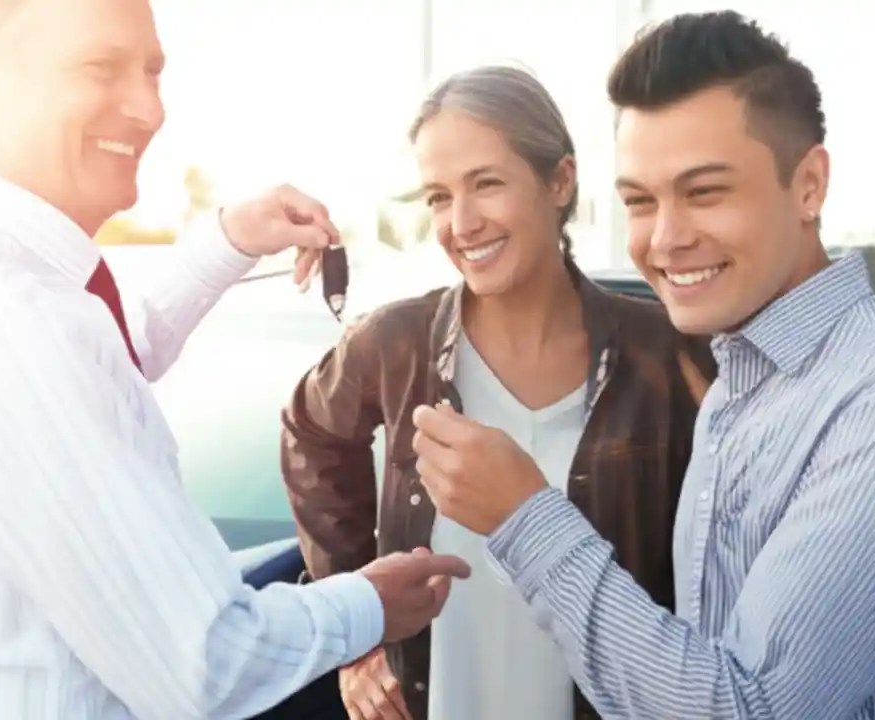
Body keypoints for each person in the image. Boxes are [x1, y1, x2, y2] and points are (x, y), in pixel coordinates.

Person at [0, 1, 469, 718]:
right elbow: (206, 664)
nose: (148, 108)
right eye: (99, 66)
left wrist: (229, 240)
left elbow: (111, 359)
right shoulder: (12, 324)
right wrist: (372, 603)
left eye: (152, 71)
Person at [411, 11, 875, 719]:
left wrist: (524, 516)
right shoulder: (738, 379)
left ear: (809, 184)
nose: (665, 238)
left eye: (705, 192)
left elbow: (740, 708)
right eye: (639, 201)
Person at [280, 65, 714, 720]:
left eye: (486, 184)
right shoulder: (396, 344)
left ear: (559, 180)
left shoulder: (668, 352)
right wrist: (356, 629)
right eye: (437, 196)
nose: (461, 222)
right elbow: (309, 432)